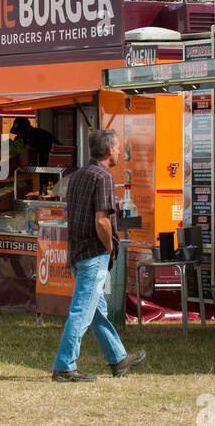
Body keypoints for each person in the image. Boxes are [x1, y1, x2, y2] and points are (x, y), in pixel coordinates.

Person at [51, 129, 146, 382]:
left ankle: (117, 358)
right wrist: (110, 247)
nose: (118, 150)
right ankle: (64, 366)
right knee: (82, 311)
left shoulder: (80, 174)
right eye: (117, 147)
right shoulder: (103, 176)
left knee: (96, 310)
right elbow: (102, 221)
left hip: (78, 252)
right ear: (108, 150)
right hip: (94, 254)